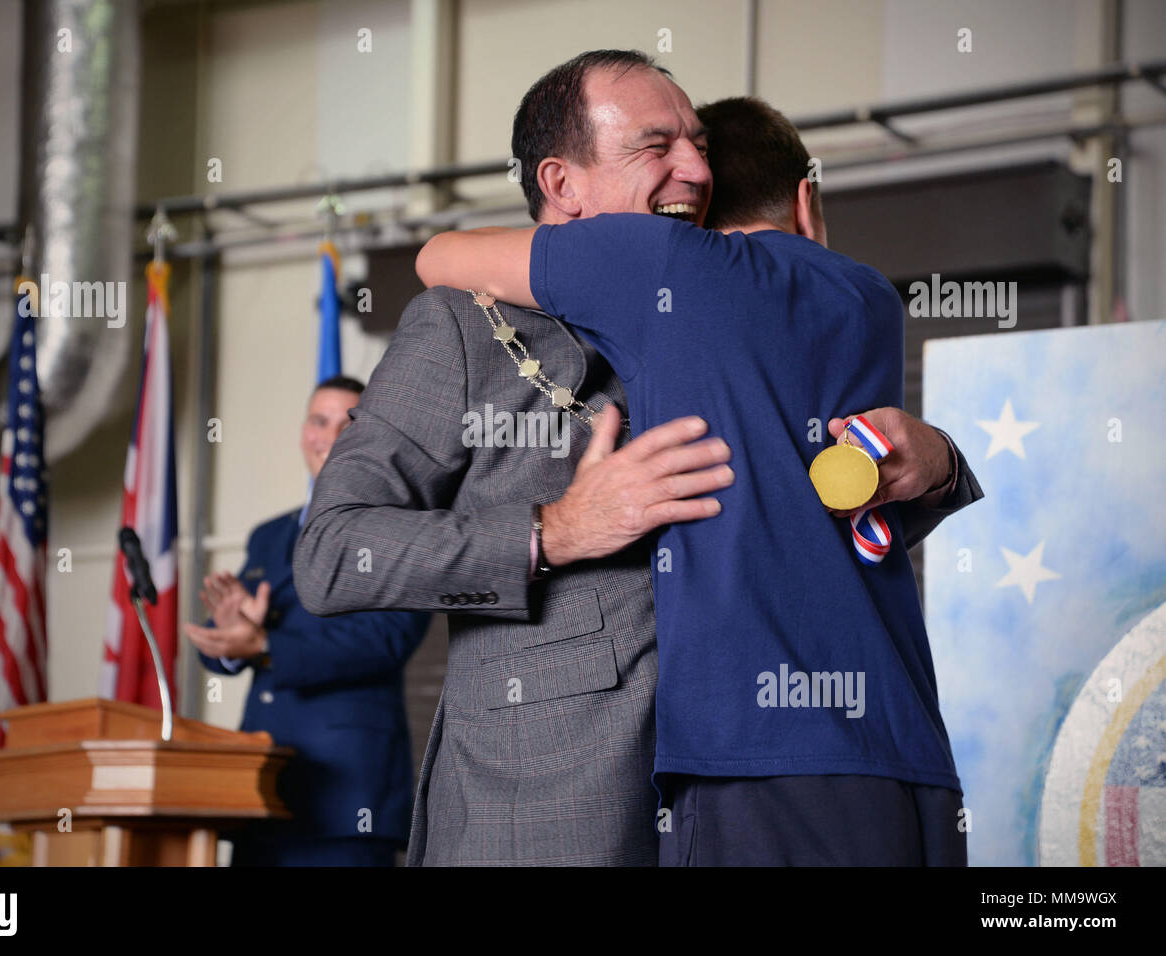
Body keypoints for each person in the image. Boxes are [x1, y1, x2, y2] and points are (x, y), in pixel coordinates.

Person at [296, 50, 981, 866]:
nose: (697, 168)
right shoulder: (462, 328)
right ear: (562, 185)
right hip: (547, 817)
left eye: (698, 143)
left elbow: (806, 539)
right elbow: (334, 553)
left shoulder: (726, 299)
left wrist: (935, 459)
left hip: (748, 806)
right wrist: (554, 530)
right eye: (657, 148)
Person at [183, 375, 431, 866]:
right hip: (259, 790)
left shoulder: (403, 529)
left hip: (345, 800)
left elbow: (385, 641)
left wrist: (265, 644)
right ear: (303, 431)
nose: (329, 435)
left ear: (372, 434)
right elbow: (239, 646)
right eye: (319, 421)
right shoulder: (268, 535)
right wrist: (231, 635)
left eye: (347, 423)